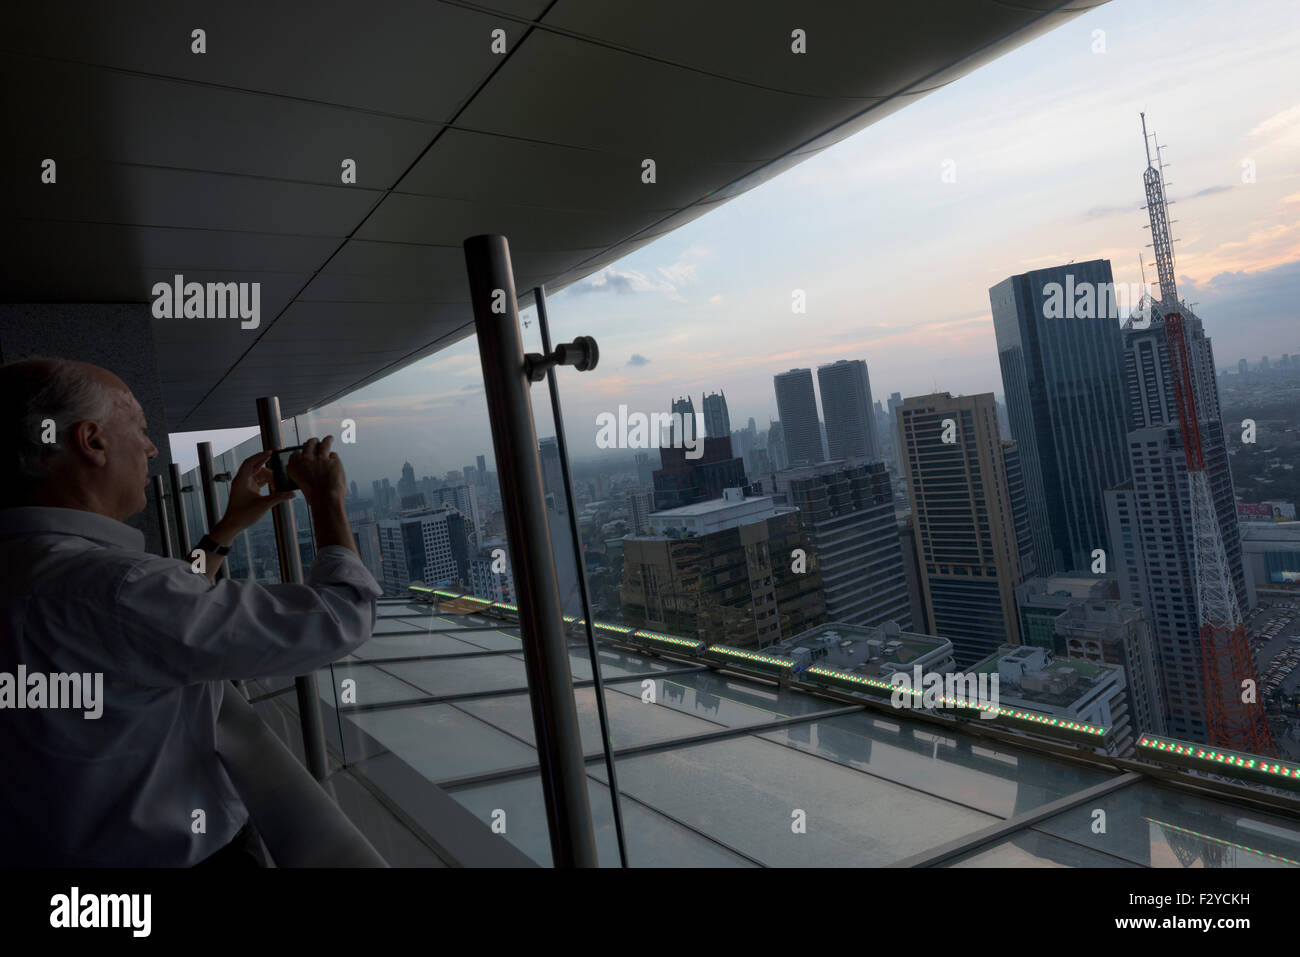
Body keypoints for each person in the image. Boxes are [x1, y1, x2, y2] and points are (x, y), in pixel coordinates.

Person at [0, 357, 381, 866]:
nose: (152, 448)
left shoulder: (38, 570)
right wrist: (328, 500)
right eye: (138, 428)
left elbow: (156, 622)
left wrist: (226, 529)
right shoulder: (117, 588)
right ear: (91, 442)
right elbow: (340, 616)